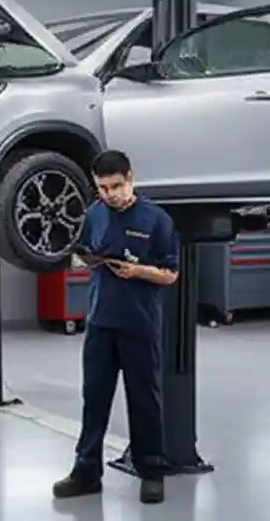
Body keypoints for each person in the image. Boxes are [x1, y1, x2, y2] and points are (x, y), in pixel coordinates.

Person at [52, 149, 179, 505]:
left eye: (116, 186)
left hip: (139, 324)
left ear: (130, 178)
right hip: (100, 323)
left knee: (144, 399)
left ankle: (151, 471)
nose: (110, 194)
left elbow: (171, 274)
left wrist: (138, 271)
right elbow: (81, 253)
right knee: (94, 399)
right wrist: (84, 259)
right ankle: (86, 471)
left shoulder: (157, 220)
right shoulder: (94, 214)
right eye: (103, 188)